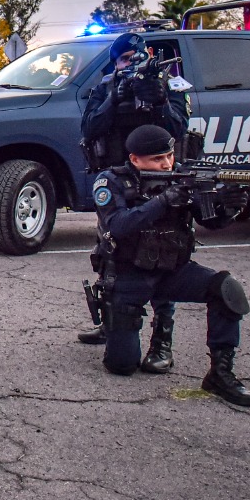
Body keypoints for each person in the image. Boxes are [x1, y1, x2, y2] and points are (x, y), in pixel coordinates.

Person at [91, 125, 250, 407]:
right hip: (130, 274)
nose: (167, 164)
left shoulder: (182, 176)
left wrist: (229, 209)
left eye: (169, 156)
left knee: (226, 289)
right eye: (157, 159)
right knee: (122, 365)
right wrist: (163, 201)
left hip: (173, 271)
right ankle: (114, 326)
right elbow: (118, 226)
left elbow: (210, 221)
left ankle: (220, 373)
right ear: (135, 159)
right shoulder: (111, 182)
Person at [77, 31, 188, 367]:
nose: (133, 64)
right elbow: (89, 129)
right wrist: (115, 98)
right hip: (117, 181)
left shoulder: (171, 85)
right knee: (110, 253)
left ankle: (161, 341)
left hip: (160, 179)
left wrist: (160, 100)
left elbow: (180, 129)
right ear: (116, 62)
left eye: (138, 57)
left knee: (164, 252)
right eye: (126, 59)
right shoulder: (105, 88)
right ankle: (111, 322)